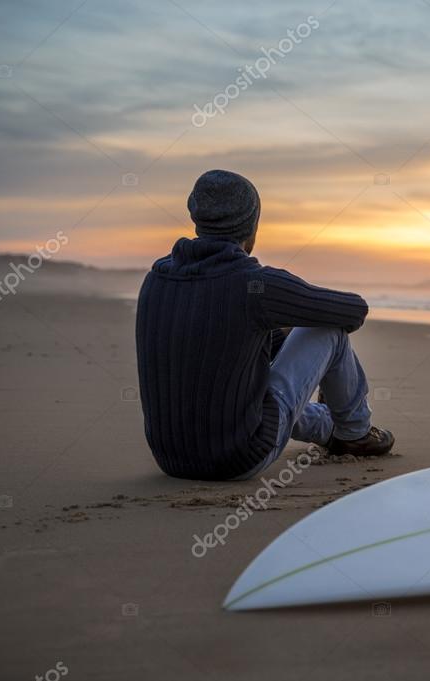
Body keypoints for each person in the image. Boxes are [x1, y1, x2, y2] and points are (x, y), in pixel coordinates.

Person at [135, 169, 394, 480]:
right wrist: (288, 321)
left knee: (248, 362)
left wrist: (275, 331)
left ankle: (329, 427)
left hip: (172, 459)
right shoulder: (253, 283)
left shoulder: (157, 278)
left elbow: (219, 340)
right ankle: (355, 433)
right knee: (328, 329)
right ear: (252, 224)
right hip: (238, 457)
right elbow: (353, 311)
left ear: (197, 219)